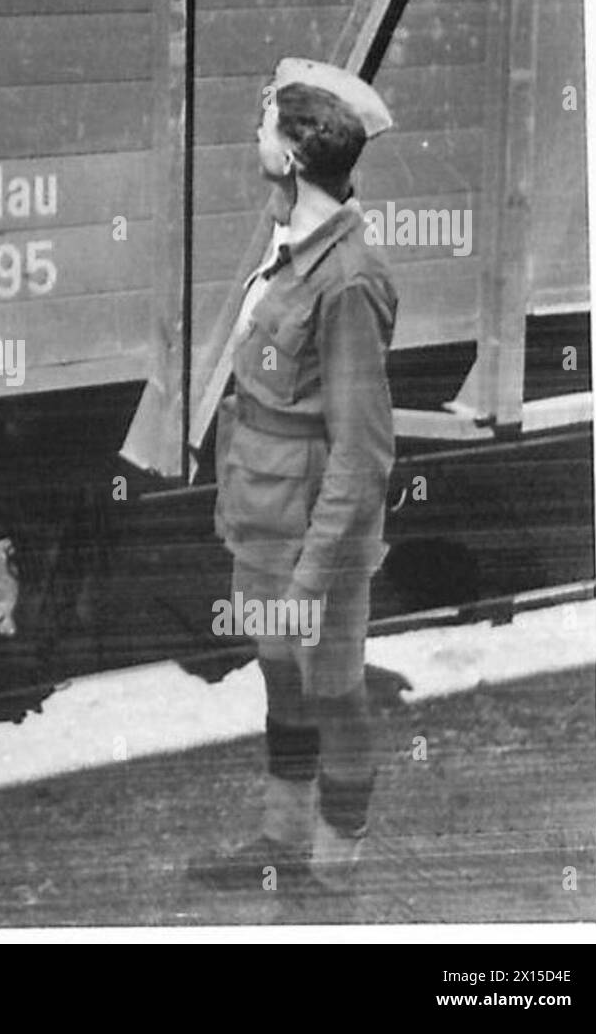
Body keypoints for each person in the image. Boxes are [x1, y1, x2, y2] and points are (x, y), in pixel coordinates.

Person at [205, 57, 398, 894]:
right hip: (264, 515)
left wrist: (315, 576)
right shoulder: (293, 245)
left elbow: (362, 452)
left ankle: (334, 873)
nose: (255, 137)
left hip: (311, 534)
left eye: (264, 126)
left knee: (336, 696)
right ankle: (281, 843)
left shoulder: (347, 279)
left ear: (292, 153)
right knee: (282, 678)